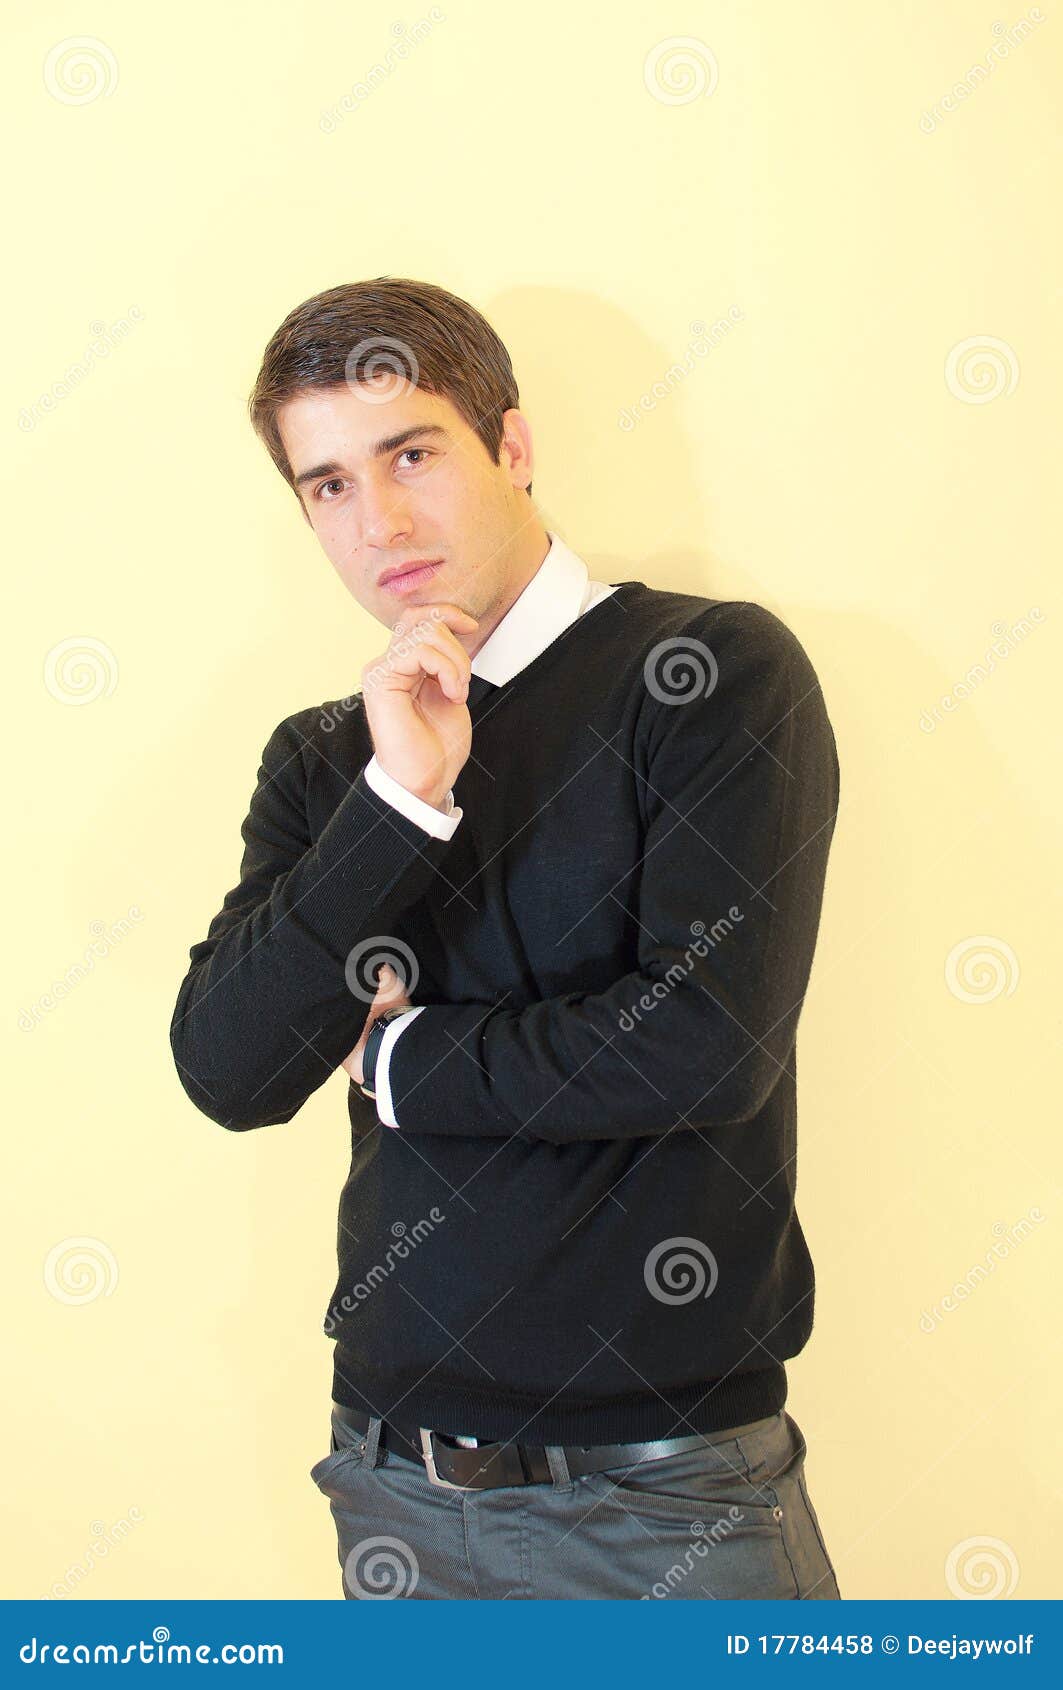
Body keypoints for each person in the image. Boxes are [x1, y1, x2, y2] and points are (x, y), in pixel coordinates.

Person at [169, 277, 842, 1600]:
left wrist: (399, 1059)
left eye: (410, 452)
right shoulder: (327, 762)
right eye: (330, 487)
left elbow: (704, 1046)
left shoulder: (707, 677)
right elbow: (231, 1068)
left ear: (512, 446)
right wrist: (399, 800)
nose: (383, 520)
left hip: (659, 1492)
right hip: (390, 1476)